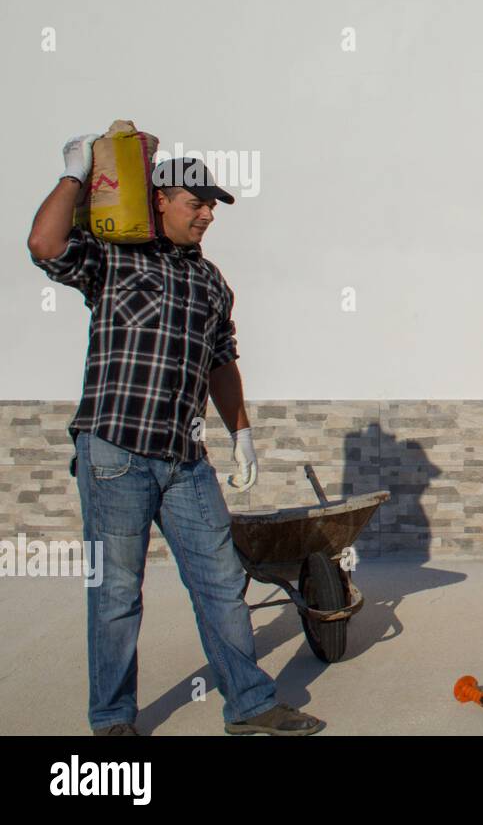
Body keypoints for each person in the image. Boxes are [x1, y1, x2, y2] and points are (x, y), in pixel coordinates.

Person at [27, 132, 325, 736]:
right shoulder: (112, 257)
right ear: (159, 198)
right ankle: (112, 720)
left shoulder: (213, 283)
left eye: (213, 205)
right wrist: (76, 176)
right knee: (116, 596)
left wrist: (241, 433)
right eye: (198, 202)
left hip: (186, 459)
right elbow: (44, 244)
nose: (209, 214)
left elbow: (221, 363)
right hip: (115, 450)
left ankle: (251, 705)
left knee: (221, 585)